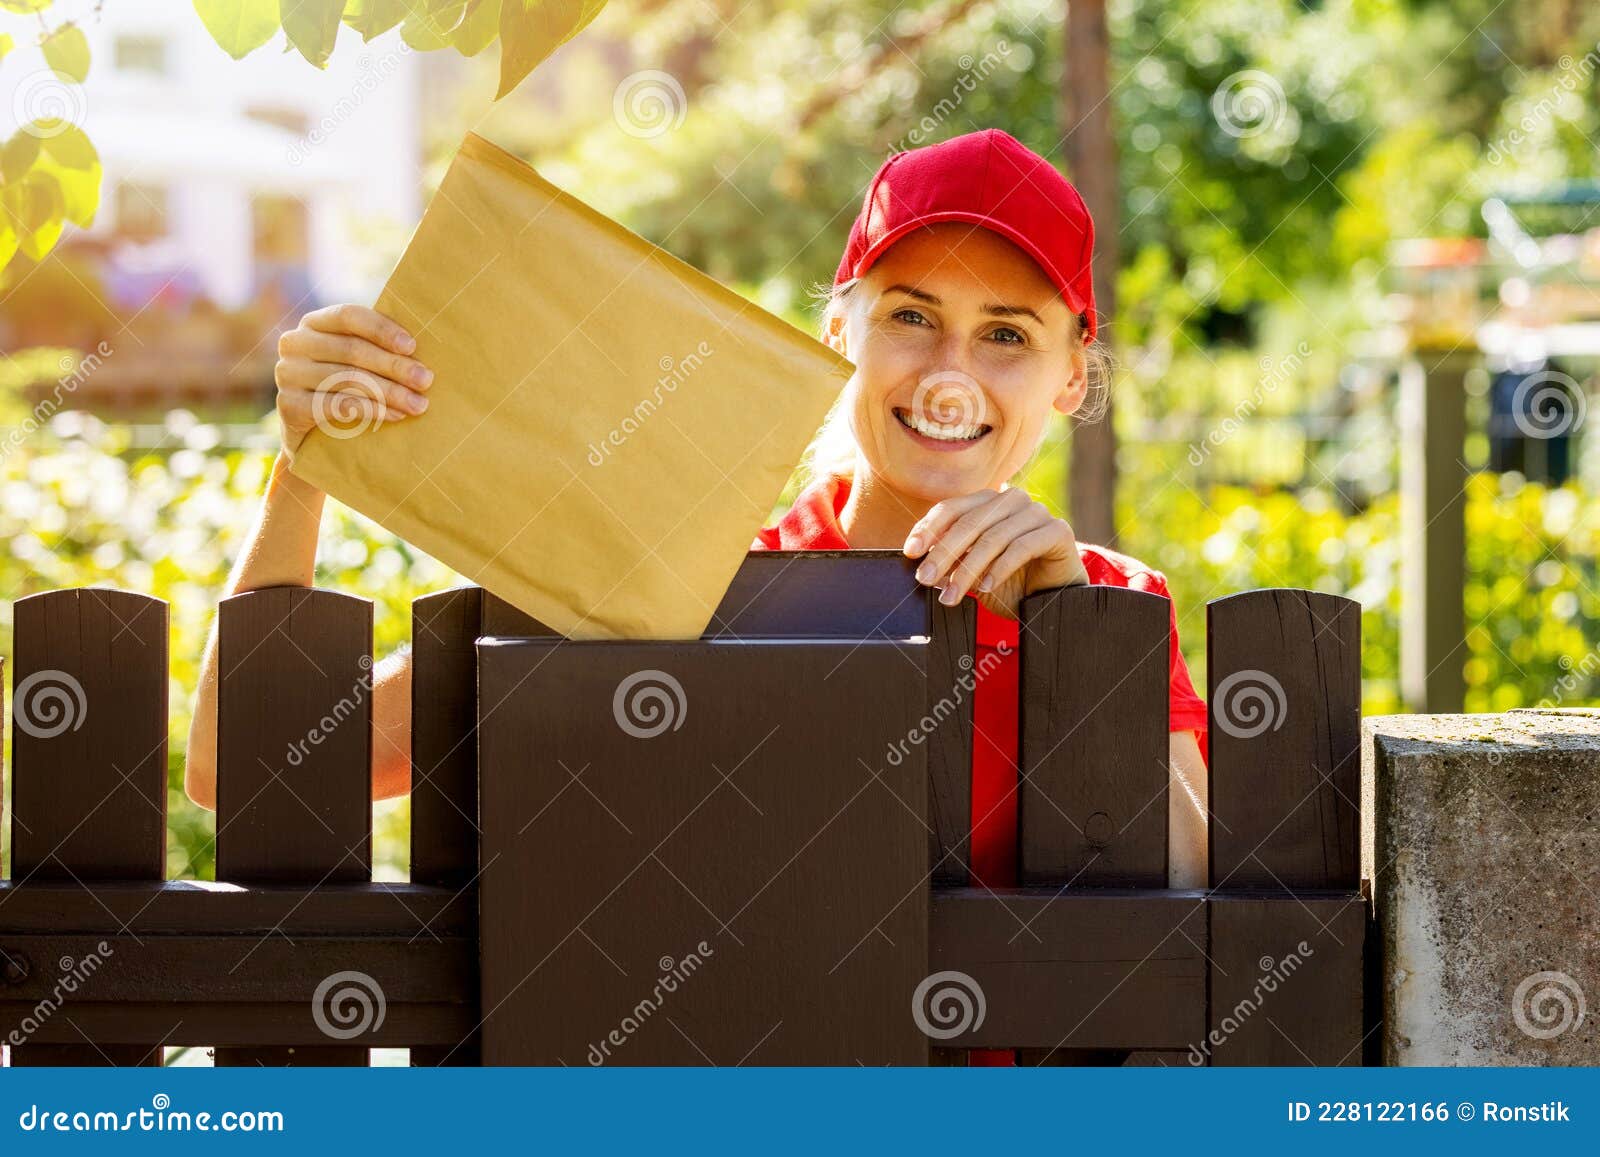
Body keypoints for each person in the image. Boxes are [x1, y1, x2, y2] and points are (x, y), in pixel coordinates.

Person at [184, 131, 1211, 1029]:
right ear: (838, 333)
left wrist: (1073, 631)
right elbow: (246, 776)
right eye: (910, 315)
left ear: (1070, 374)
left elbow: (1207, 919)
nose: (951, 371)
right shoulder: (678, 567)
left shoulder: (1113, 604)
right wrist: (308, 460)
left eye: (1006, 334)